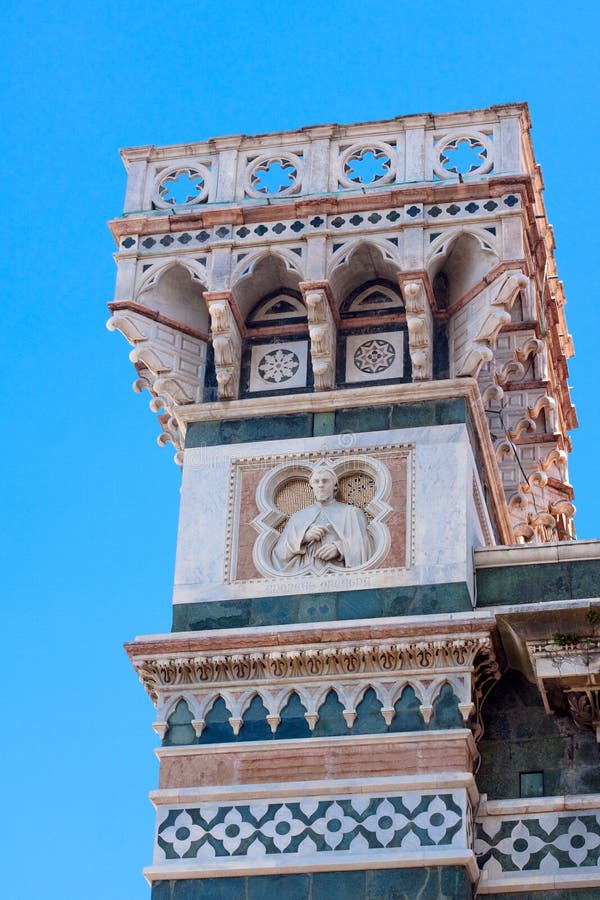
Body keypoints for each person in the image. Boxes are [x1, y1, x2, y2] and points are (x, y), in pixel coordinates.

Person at [271, 464, 372, 574]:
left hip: (340, 574)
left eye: (325, 481)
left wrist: (339, 549)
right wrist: (303, 538)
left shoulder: (351, 513)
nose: (320, 485)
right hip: (304, 575)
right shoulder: (298, 517)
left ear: (335, 486)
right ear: (311, 487)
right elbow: (279, 554)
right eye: (316, 481)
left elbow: (364, 546)